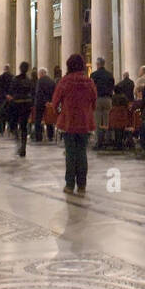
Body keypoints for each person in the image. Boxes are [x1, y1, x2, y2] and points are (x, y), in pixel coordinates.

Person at [52, 54, 96, 194]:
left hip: (68, 122)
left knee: (70, 154)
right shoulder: (89, 82)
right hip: (84, 122)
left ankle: (70, 185)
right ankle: (82, 184)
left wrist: (60, 113)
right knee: (82, 153)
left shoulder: (65, 81)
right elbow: (94, 101)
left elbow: (55, 103)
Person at [91, 57, 114, 149]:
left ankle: (98, 142)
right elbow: (112, 87)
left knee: (97, 122)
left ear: (97, 64)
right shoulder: (110, 74)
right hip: (108, 99)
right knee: (107, 121)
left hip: (98, 99)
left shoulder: (93, 75)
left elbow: (92, 88)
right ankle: (108, 140)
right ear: (104, 64)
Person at [11, 62, 34, 155]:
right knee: (24, 126)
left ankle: (18, 142)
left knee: (14, 124)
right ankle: (23, 147)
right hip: (27, 105)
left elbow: (12, 91)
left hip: (17, 104)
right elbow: (32, 92)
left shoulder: (15, 79)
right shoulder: (29, 81)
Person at [34, 65, 56, 142]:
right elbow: (54, 93)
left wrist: (44, 101)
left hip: (40, 103)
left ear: (41, 73)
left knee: (38, 120)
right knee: (49, 119)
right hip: (50, 103)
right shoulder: (51, 81)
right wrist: (49, 102)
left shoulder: (39, 81)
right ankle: (50, 135)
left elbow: (39, 93)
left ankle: (38, 137)